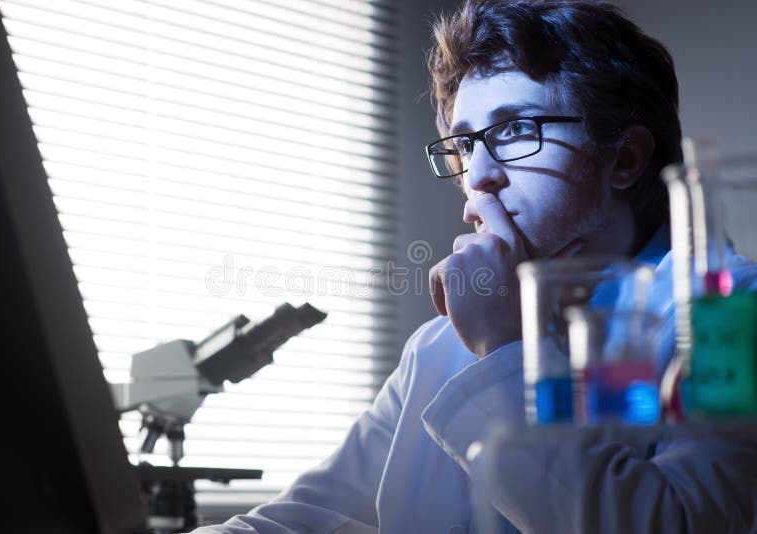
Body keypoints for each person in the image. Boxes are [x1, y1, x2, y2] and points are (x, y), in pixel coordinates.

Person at [193, 1, 757, 532]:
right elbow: (304, 519)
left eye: (514, 130)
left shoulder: (730, 312)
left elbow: (674, 523)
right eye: (464, 145)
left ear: (625, 159)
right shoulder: (438, 345)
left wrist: (505, 350)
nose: (479, 176)